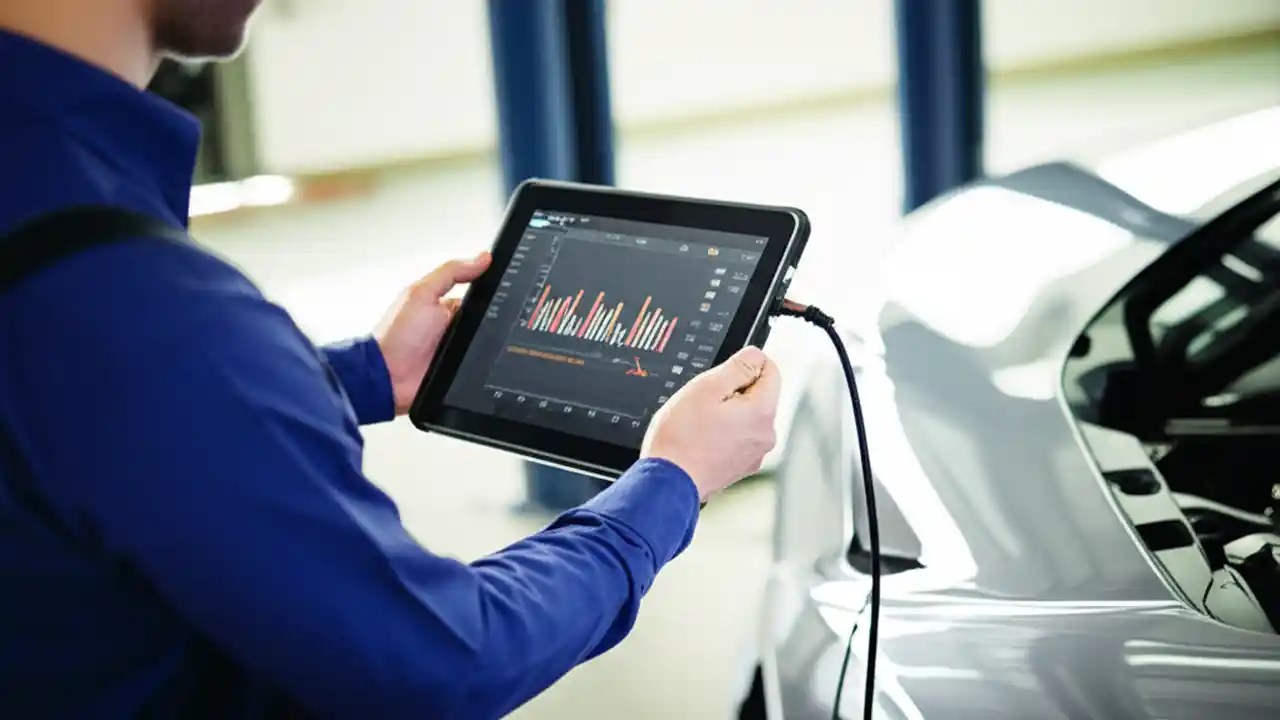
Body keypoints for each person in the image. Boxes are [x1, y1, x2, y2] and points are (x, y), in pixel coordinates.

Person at [0, 1, 782, 717]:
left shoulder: (72, 255)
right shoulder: (139, 300)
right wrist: (666, 488)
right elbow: (440, 661)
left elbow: (77, 410)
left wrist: (369, 371)